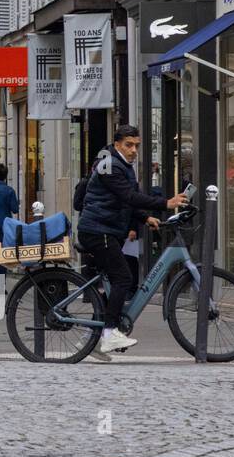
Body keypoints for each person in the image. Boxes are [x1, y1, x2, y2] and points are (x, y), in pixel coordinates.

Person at [77, 124, 188, 353]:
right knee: (123, 278)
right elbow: (129, 196)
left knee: (112, 285)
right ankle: (109, 334)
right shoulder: (110, 166)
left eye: (137, 145)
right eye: (129, 145)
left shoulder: (122, 165)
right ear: (117, 144)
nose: (134, 150)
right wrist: (165, 204)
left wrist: (146, 218)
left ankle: (92, 338)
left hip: (106, 230)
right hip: (99, 231)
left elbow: (123, 201)